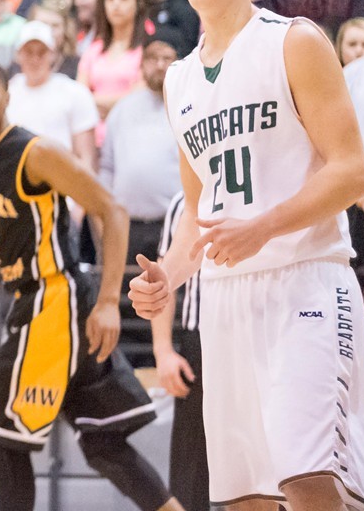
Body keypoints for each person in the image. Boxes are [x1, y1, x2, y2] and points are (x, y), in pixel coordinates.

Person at [131, 0, 364, 509]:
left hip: (307, 284)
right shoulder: (179, 80)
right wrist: (169, 274)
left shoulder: (294, 42)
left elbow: (351, 172)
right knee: (246, 496)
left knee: (311, 478)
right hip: (224, 301)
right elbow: (200, 211)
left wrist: (264, 227)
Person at [0, 61, 174, 511]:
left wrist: (110, 300)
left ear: (6, 96)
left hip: (56, 300)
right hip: (30, 303)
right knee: (103, 446)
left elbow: (112, 211)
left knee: (5, 446)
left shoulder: (35, 153)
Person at [99, 27, 189, 262]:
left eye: (166, 58)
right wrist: (106, 214)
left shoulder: (190, 107)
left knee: (172, 295)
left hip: (175, 226)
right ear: (141, 64)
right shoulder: (122, 109)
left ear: (179, 62)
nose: (159, 65)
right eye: (152, 58)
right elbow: (107, 167)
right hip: (126, 227)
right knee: (126, 296)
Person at [150, 191, 208, 511]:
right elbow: (164, 280)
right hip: (197, 343)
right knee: (190, 473)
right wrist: (162, 351)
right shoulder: (182, 202)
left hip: (255, 337)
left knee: (261, 471)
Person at [5, 23, 99, 169]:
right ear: (19, 55)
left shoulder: (75, 93)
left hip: (63, 183)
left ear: (52, 54)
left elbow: (86, 158)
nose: (35, 59)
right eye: (29, 52)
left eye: (41, 52)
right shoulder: (7, 94)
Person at [77, 0, 148, 119]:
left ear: (138, 3)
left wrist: (93, 101)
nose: (116, 4)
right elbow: (79, 97)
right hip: (94, 133)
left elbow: (139, 99)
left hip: (131, 127)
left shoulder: (147, 49)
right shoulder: (93, 49)